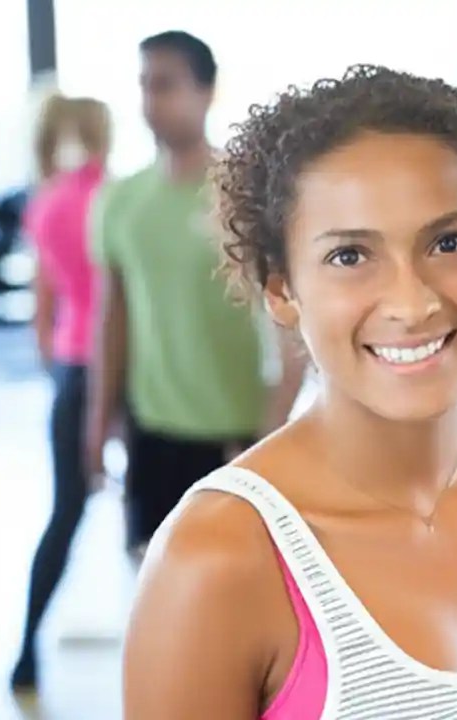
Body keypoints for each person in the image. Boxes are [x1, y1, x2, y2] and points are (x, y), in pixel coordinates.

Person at [122, 65, 457, 719]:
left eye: (448, 242)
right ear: (281, 288)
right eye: (350, 256)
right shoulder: (219, 555)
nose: (413, 304)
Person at [85, 31, 303, 558]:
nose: (151, 101)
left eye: (165, 85)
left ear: (206, 92)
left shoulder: (246, 194)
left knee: (236, 593)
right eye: (144, 85)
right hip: (153, 429)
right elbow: (113, 318)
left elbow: (291, 319)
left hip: (235, 430)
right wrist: (98, 423)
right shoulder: (122, 200)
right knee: (154, 580)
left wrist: (269, 433)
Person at [11, 94, 111, 692]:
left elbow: (41, 310)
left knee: (65, 511)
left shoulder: (44, 204)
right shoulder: (113, 198)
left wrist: (59, 373)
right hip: (128, 370)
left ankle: (25, 651)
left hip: (73, 370)